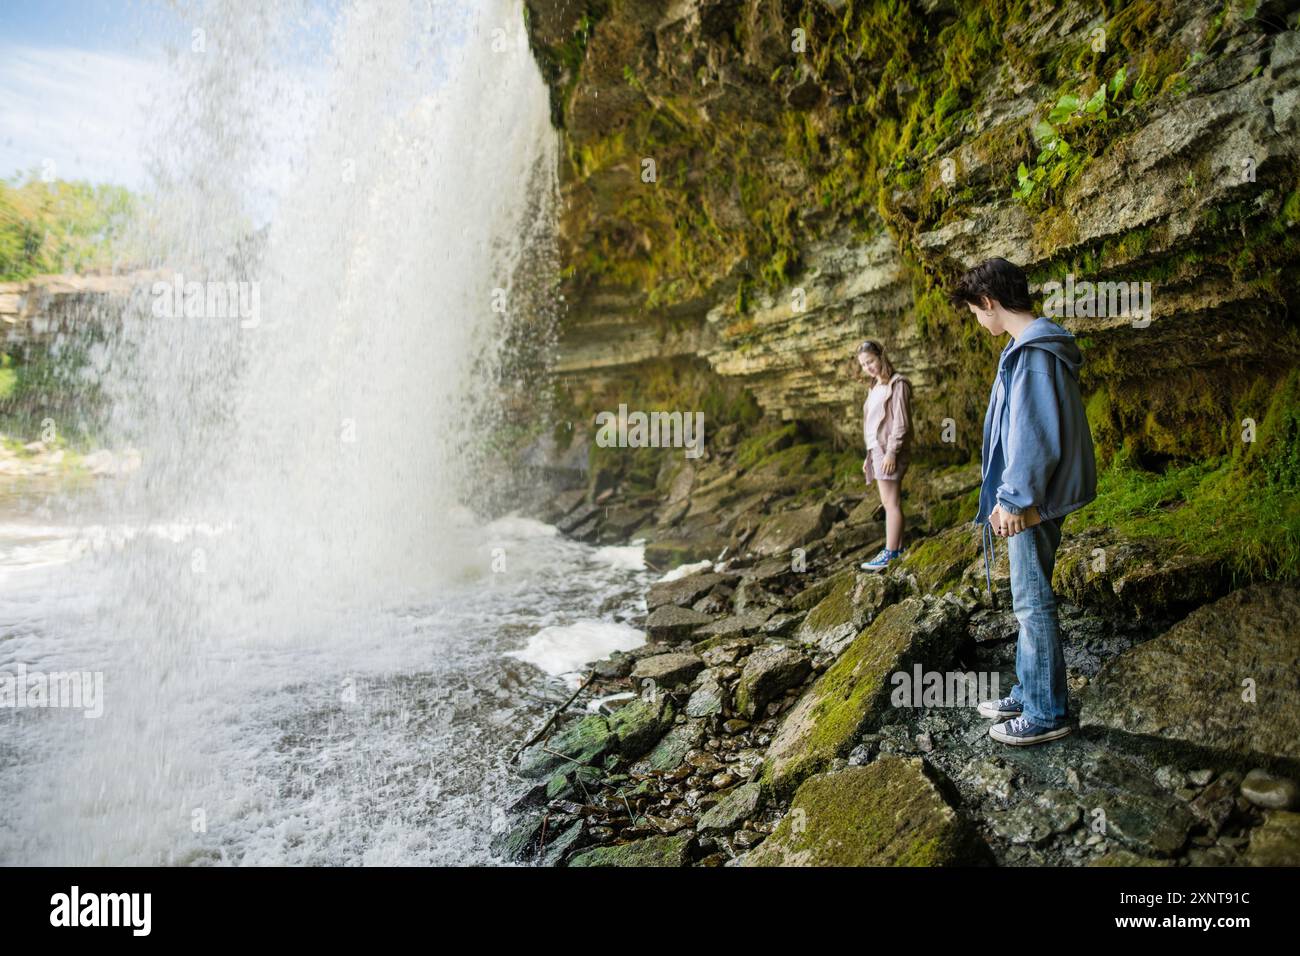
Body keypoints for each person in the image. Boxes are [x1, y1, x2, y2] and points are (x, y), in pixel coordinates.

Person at [951, 258, 1097, 746]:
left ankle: (1046, 712)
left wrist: (1013, 500)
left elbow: (1033, 438)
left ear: (989, 302)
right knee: (1026, 600)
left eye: (975, 311)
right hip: (1028, 497)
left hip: (1031, 501)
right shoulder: (1025, 346)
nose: (977, 320)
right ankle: (1030, 688)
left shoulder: (1032, 354)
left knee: (1032, 604)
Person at [855, 340, 912, 572]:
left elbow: (901, 424)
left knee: (891, 503)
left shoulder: (898, 384)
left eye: (870, 361)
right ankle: (896, 549)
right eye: (863, 364)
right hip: (877, 451)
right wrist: (869, 457)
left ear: (881, 356)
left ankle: (890, 552)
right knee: (889, 503)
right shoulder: (874, 385)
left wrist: (890, 453)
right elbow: (872, 424)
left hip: (889, 451)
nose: (867, 367)